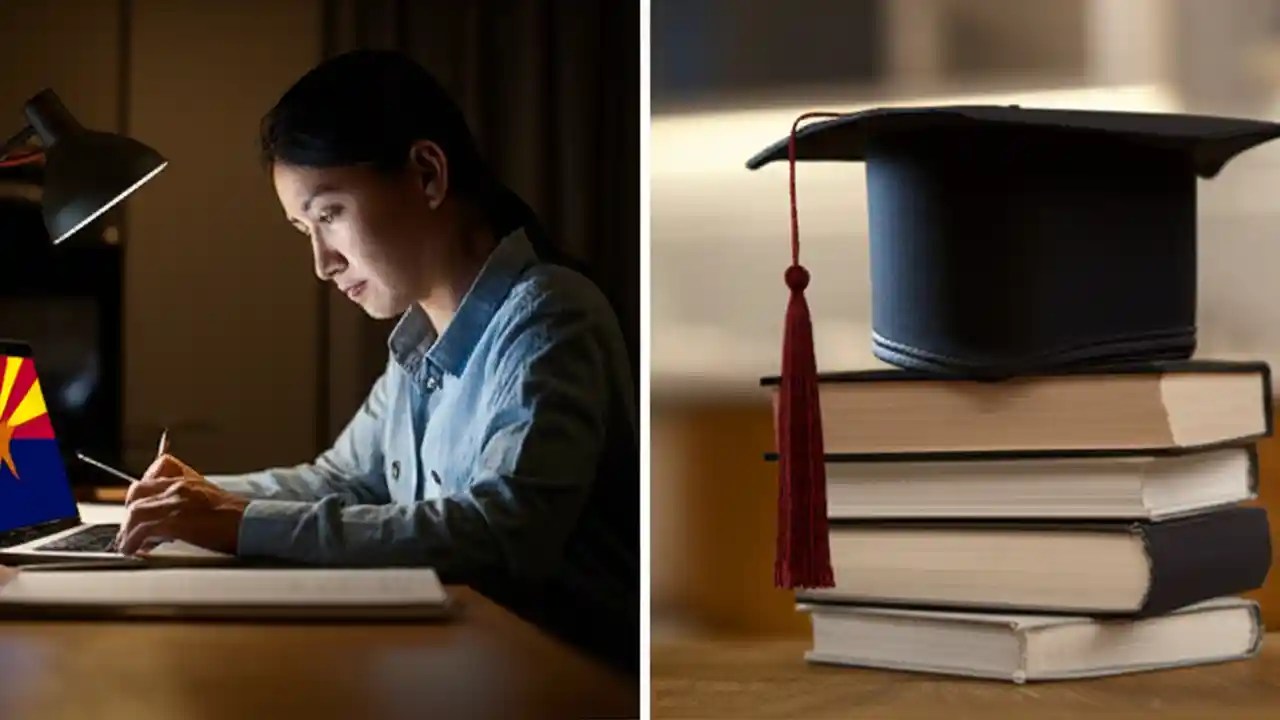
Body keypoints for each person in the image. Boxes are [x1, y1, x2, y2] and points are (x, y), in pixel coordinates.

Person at [112, 49, 638, 671]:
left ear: (427, 174)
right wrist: (195, 497)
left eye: (329, 215)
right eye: (303, 230)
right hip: (462, 665)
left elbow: (499, 534)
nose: (322, 262)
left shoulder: (550, 315)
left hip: (561, 682)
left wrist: (236, 520)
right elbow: (341, 480)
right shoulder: (422, 339)